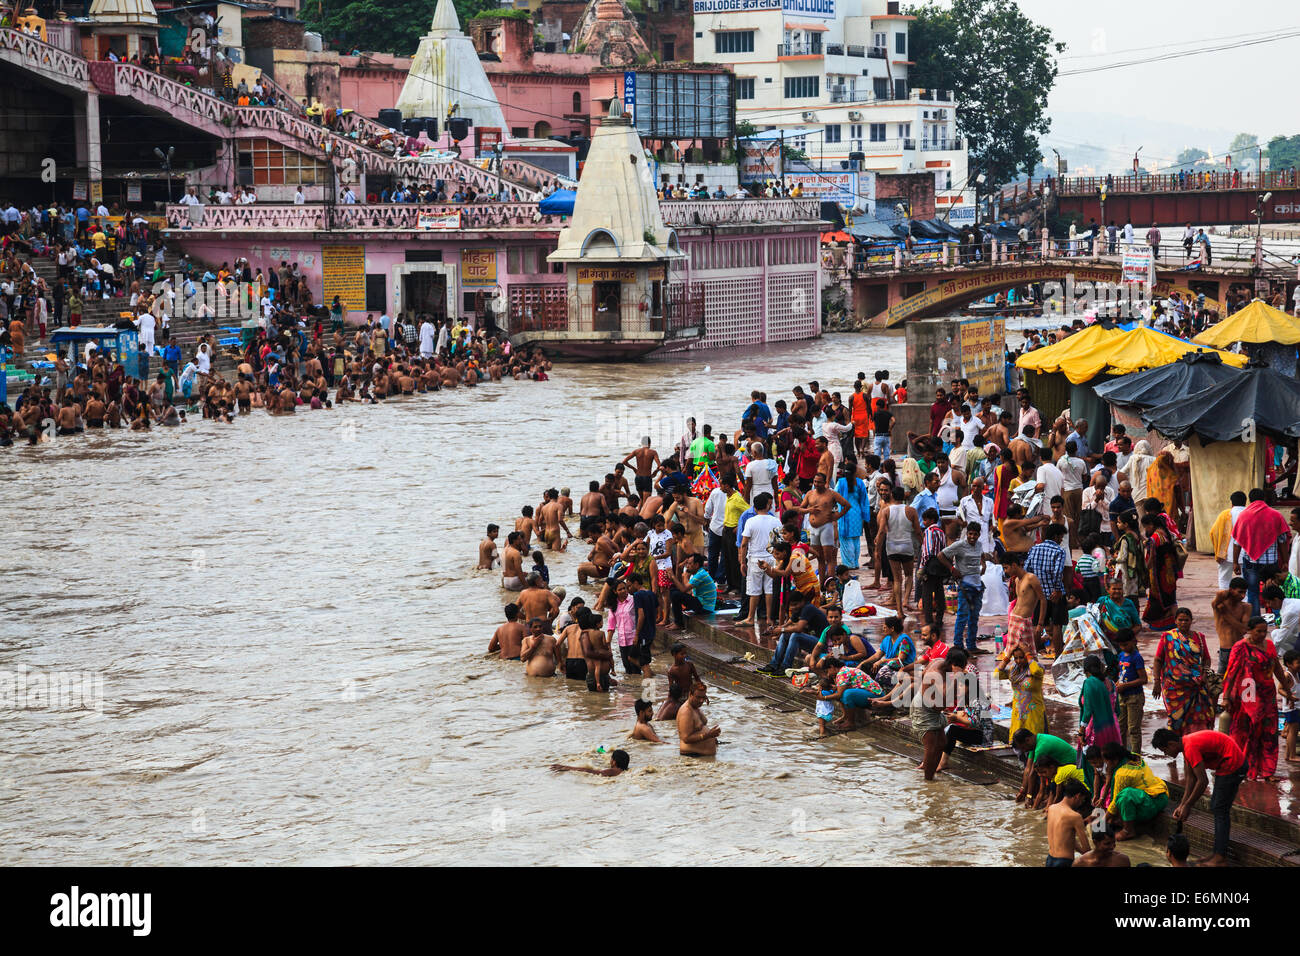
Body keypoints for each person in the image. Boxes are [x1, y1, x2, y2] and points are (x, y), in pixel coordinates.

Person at [1152, 728, 1247, 866]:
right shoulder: (1186, 745)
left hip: (1233, 763)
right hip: (1226, 764)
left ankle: (1220, 856)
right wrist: (1182, 805)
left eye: (1164, 750)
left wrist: (1188, 806)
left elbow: (1202, 781)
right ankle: (1217, 853)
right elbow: (1191, 779)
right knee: (1217, 807)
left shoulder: (1189, 747)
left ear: (1172, 744)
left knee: (1219, 809)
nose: (1166, 754)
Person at [1222, 615, 1295, 781]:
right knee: (1248, 732)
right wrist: (1226, 697)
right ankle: (1244, 768)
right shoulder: (1240, 647)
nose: (1262, 634)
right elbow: (1231, 673)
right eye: (1259, 631)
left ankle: (1268, 772)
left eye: (1265, 631)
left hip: (1267, 695)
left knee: (1269, 732)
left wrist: (1287, 689)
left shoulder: (1269, 645)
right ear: (1249, 631)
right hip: (1248, 696)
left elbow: (1276, 667)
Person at [1152, 607, 1215, 737]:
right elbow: (1158, 659)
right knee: (1176, 720)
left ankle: (1195, 743)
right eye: (1180, 620)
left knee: (1198, 719)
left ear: (1191, 621)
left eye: (1186, 620)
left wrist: (1204, 673)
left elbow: (1207, 659)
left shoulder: (1199, 637)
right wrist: (1156, 682)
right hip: (1174, 689)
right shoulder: (1167, 637)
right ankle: (1177, 746)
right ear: (1175, 621)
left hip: (1196, 686)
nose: (1183, 623)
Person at [940, 521, 991, 654]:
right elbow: (941, 555)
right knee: (962, 616)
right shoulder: (960, 545)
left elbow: (981, 555)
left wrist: (983, 564)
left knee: (974, 617)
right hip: (965, 585)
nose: (972, 537)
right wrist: (952, 568)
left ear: (979, 535)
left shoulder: (979, 545)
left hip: (978, 585)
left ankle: (972, 645)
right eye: (970, 534)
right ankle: (958, 646)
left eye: (975, 534)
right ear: (966, 533)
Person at [1102, 742, 1169, 841]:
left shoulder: (1122, 774)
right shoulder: (1134, 757)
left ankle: (1128, 831)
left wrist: (1101, 822)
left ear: (1114, 760)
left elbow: (1116, 801)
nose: (1106, 764)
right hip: (1161, 795)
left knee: (1124, 795)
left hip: (1152, 802)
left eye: (1106, 761)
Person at [1141, 513, 1180, 630]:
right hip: (1169, 572)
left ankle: (1170, 622)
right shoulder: (1165, 533)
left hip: (1159, 574)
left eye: (1145, 527)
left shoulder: (1155, 537)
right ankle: (1176, 620)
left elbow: (1152, 557)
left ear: (1151, 525)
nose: (1145, 529)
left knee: (1160, 598)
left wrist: (1145, 570)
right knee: (1170, 598)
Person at [1113, 629, 1147, 754]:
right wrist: (1118, 684)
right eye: (1121, 645)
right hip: (1123, 696)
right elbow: (1122, 674)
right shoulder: (1121, 655)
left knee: (1133, 729)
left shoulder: (1137, 657)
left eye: (1126, 645)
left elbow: (1143, 679)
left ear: (1133, 641)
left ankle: (1136, 756)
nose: (1123, 647)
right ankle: (1122, 753)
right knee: (1121, 727)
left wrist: (1125, 685)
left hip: (1135, 697)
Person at [1045, 779, 1093, 866]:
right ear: (1077, 796)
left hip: (1050, 860)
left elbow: (1066, 838)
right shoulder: (1075, 816)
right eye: (1082, 800)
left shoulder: (1051, 808)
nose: (1081, 803)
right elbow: (1086, 849)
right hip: (1064, 862)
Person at [677, 682, 720, 756]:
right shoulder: (686, 712)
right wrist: (708, 735)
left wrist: (711, 738)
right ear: (690, 694)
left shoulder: (696, 707)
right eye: (698, 697)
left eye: (703, 697)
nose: (701, 700)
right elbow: (686, 738)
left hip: (701, 757)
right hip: (692, 757)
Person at [550, 750, 629, 776]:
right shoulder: (624, 770)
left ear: (614, 762)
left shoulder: (613, 771)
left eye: (611, 758)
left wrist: (567, 768)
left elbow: (591, 772)